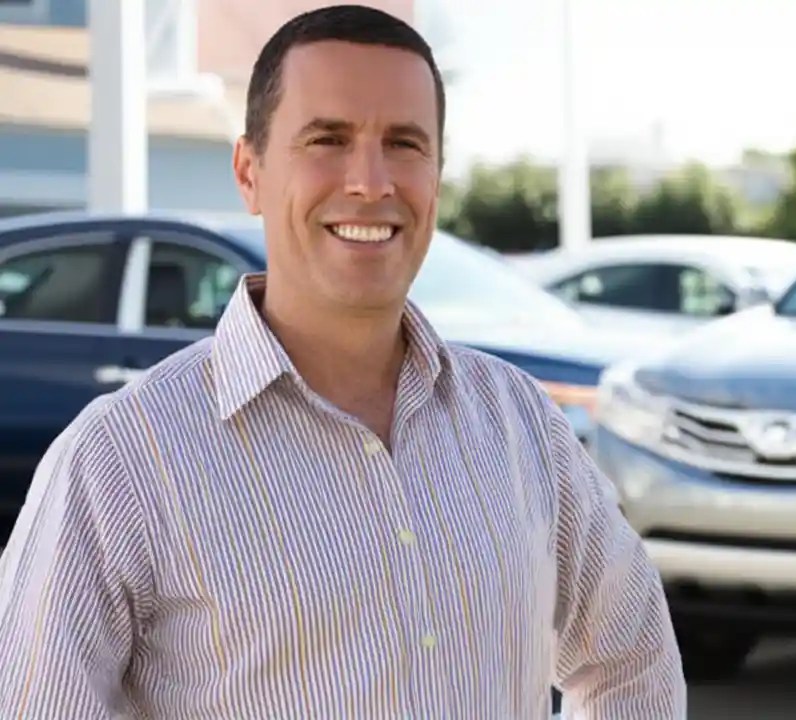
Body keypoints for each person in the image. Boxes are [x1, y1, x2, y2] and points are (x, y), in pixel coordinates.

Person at [0, 5, 685, 718]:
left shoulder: (522, 430)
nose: (370, 181)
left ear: (438, 176)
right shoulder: (119, 461)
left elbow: (630, 659)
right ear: (249, 171)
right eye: (327, 139)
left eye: (405, 143)